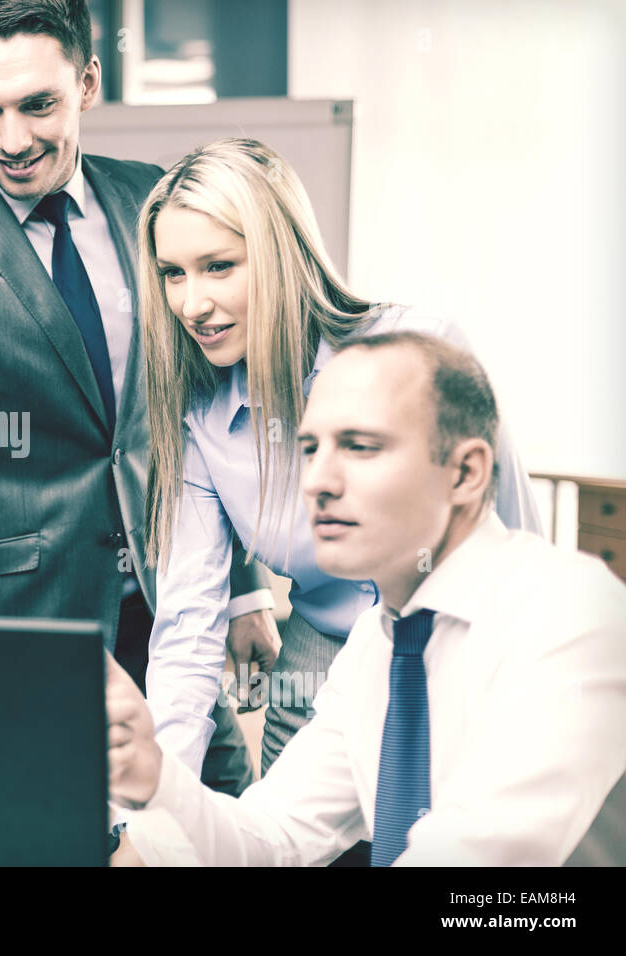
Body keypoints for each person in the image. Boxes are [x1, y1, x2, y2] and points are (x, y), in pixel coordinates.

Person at [0, 0, 277, 798]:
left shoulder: (154, 202)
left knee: (215, 837)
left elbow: (204, 406)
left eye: (39, 105)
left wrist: (241, 583)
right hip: (20, 639)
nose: (11, 139)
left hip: (176, 616)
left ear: (88, 83)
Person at [109, 331, 626, 865]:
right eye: (310, 448)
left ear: (466, 473)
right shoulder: (377, 642)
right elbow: (276, 837)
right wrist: (157, 777)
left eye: (360, 446)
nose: (317, 482)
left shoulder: (569, 616)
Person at [137, 139, 542, 794]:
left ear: (278, 255)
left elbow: (517, 544)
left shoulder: (422, 350)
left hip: (455, 660)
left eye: (218, 266)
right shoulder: (198, 414)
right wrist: (157, 813)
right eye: (172, 273)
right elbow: (187, 627)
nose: (191, 303)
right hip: (317, 672)